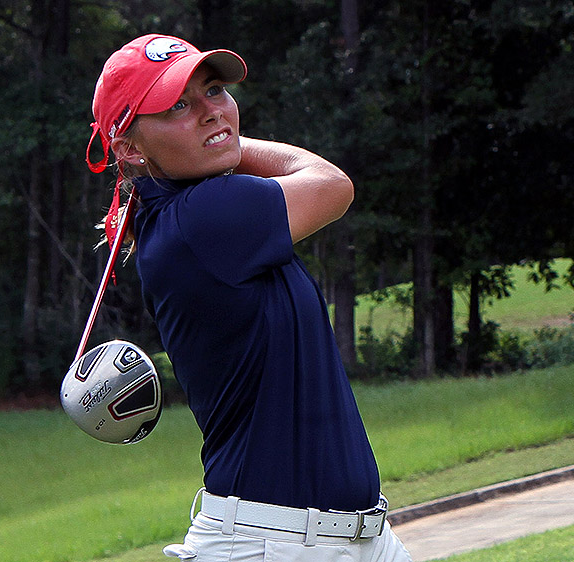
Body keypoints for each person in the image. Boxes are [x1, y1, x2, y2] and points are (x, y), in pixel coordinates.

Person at [85, 33, 413, 562]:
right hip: (275, 546)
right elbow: (332, 185)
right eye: (178, 105)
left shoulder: (187, 215)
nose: (211, 111)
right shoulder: (207, 213)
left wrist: (216, 141)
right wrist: (229, 143)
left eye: (214, 91)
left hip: (355, 537)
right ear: (129, 147)